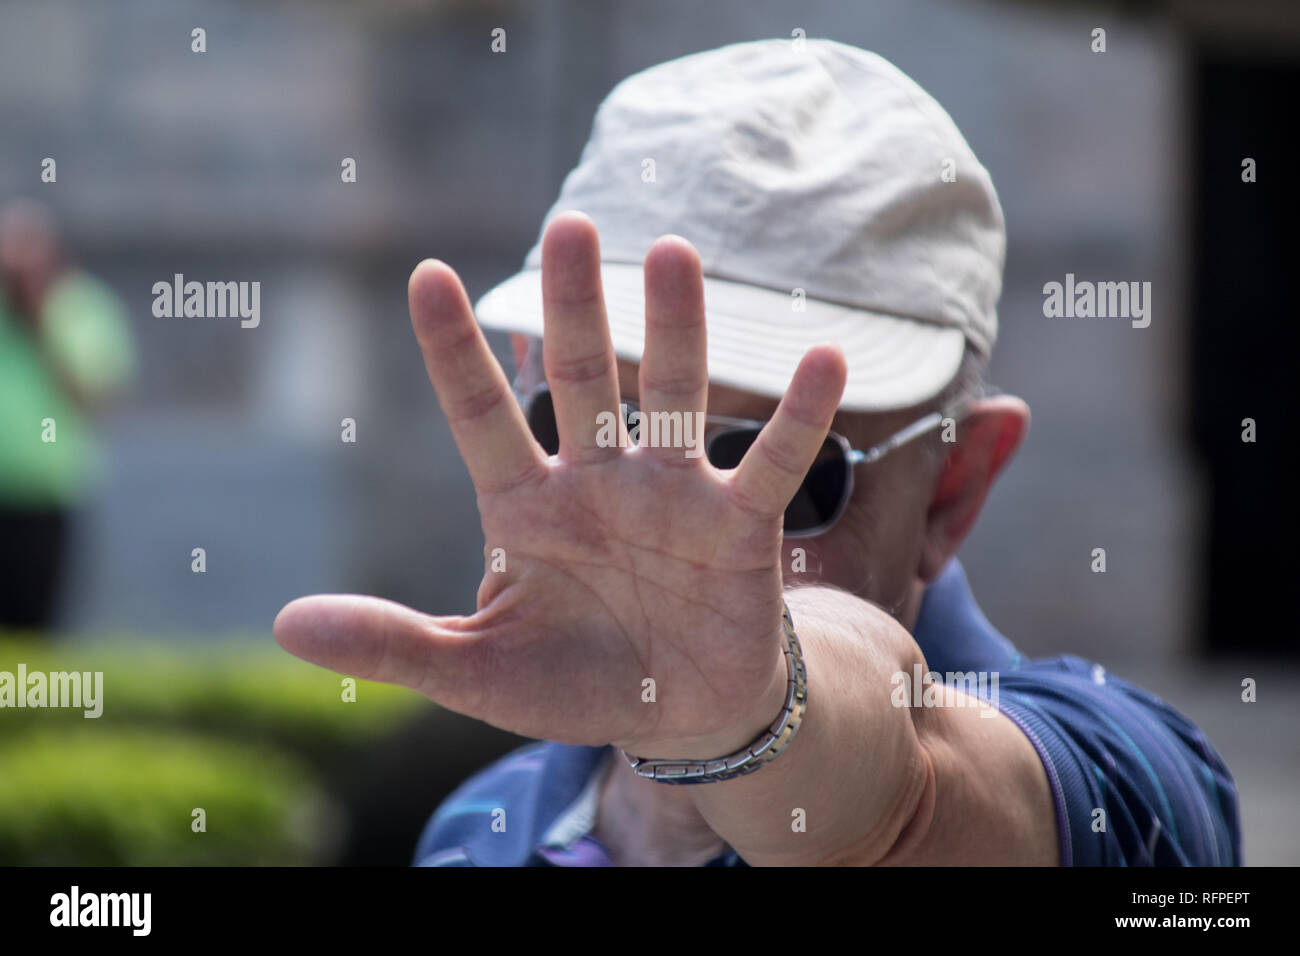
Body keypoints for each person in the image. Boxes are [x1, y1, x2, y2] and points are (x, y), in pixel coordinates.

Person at [274, 39, 1240, 866]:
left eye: (780, 470)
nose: (661, 530)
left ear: (954, 483)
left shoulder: (1132, 781)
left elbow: (913, 801)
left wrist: (749, 718)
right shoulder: (477, 823)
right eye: (584, 433)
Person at [0, 199, 134, 632]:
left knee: (33, 628)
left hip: (46, 493)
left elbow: (94, 395)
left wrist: (37, 318)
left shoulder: (81, 307)